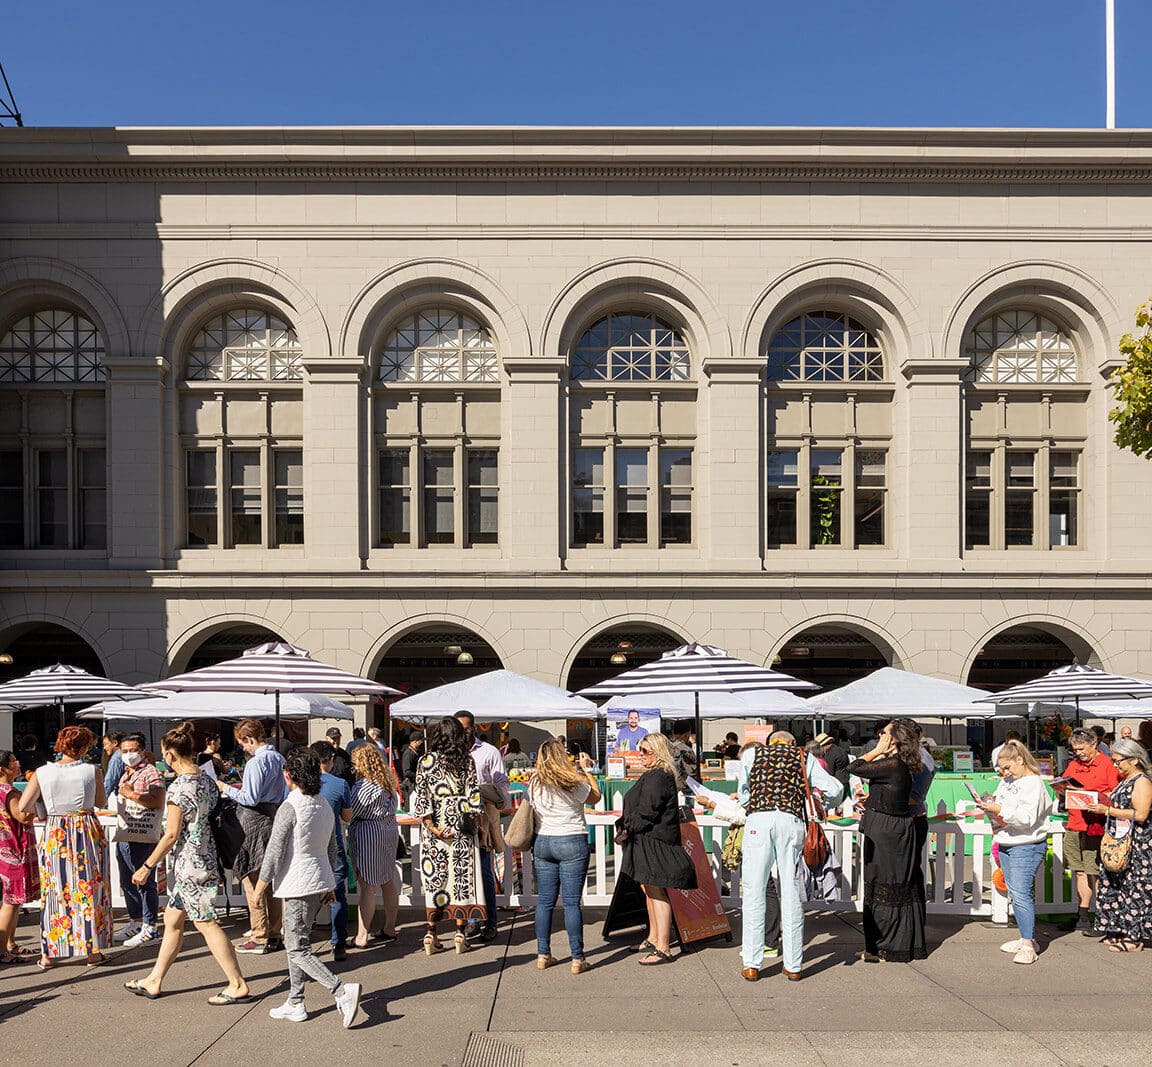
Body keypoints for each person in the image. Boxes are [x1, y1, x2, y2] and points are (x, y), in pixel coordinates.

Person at [121, 722, 251, 1004]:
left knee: (206, 923)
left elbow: (171, 834)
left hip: (190, 865)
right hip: (203, 858)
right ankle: (154, 979)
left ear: (169, 755)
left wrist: (147, 867)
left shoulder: (179, 788)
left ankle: (237, 983)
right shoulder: (206, 780)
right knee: (173, 921)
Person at [256, 748, 362, 1027]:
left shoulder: (289, 806)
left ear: (289, 776)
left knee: (297, 948)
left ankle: (340, 990)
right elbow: (333, 847)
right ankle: (295, 1000)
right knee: (298, 944)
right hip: (316, 879)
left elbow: (274, 851)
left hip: (298, 882)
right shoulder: (323, 804)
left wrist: (260, 886)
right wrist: (328, 883)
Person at [735, 731, 844, 981]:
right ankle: (793, 965)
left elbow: (743, 795)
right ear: (792, 743)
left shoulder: (752, 754)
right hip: (791, 821)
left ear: (770, 743)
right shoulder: (802, 756)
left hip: (758, 821)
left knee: (754, 892)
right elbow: (835, 788)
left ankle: (752, 963)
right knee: (792, 891)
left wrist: (756, 805)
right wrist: (822, 804)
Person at [17, 725, 112, 968]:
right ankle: (92, 951)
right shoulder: (92, 771)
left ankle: (48, 952)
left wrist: (44, 807)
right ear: (83, 747)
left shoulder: (41, 772)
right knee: (89, 888)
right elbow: (101, 801)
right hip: (84, 828)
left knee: (55, 891)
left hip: (56, 831)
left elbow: (24, 806)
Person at [847, 718, 928, 963]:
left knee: (889, 885)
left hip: (889, 832)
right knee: (884, 884)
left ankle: (890, 945)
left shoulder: (894, 763)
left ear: (894, 739)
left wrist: (877, 750)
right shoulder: (897, 764)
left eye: (885, 734)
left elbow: (855, 767)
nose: (881, 736)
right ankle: (881, 943)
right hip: (886, 828)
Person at [616, 733, 696, 966]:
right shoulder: (656, 774)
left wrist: (628, 827)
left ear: (658, 752)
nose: (640, 755)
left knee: (656, 891)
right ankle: (653, 938)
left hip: (654, 840)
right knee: (648, 888)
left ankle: (663, 947)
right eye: (640, 750)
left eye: (645, 751)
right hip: (647, 840)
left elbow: (647, 811)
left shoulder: (659, 775)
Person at [973, 740, 1056, 965]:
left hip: (1026, 844)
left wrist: (998, 809)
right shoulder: (1009, 781)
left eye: (1007, 767)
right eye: (1001, 769)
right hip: (1008, 840)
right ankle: (1025, 938)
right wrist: (991, 805)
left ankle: (1028, 943)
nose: (1004, 773)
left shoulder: (1034, 784)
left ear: (1020, 760)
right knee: (1016, 893)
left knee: (1020, 894)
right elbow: (1003, 804)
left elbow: (1027, 819)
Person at [410, 716, 484, 954]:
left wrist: (432, 826)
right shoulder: (466, 761)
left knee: (436, 881)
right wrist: (463, 821)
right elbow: (474, 798)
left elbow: (421, 797)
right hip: (461, 827)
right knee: (460, 881)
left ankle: (431, 934)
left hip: (435, 829)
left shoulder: (425, 761)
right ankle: (460, 934)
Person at [530, 738, 601, 974]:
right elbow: (596, 797)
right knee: (571, 903)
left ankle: (543, 953)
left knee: (545, 902)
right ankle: (577, 958)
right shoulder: (572, 781)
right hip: (571, 839)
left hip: (543, 840)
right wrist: (587, 770)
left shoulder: (533, 782)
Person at [217, 717, 286, 954]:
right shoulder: (278, 758)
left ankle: (259, 935)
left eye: (242, 743)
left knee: (251, 878)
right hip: (272, 816)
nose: (242, 748)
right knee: (270, 881)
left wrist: (226, 788)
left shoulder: (257, 762)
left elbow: (250, 798)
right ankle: (275, 933)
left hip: (254, 821)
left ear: (248, 739)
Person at [1051, 727, 1120, 934]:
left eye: (1081, 748)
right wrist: (1061, 790)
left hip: (1095, 825)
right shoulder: (1074, 764)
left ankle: (1101, 917)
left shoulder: (1107, 764)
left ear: (1094, 744)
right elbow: (1065, 786)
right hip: (1075, 823)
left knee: (1095, 872)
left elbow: (1113, 794)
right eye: (1074, 748)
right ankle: (1082, 915)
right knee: (1080, 872)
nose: (1078, 752)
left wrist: (1088, 794)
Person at [1085, 738, 1152, 952]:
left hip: (1137, 844)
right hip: (1118, 842)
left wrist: (1107, 811)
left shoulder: (1142, 781)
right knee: (1115, 886)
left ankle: (1134, 938)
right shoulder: (1125, 780)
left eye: (1119, 761)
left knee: (1135, 889)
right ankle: (1117, 930)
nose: (1115, 765)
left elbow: (1140, 814)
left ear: (1134, 760)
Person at [456, 709, 510, 944]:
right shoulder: (451, 752)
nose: (463, 734)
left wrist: (485, 790)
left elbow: (503, 787)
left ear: (474, 728)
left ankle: (491, 921)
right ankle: (471, 920)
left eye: (466, 729)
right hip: (458, 822)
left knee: (485, 872)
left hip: (483, 823)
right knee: (464, 874)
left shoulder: (489, 752)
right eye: (459, 729)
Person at [112, 732, 166, 947]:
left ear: (142, 751)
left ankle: (150, 926)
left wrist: (131, 794)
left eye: (132, 750)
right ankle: (136, 921)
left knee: (143, 880)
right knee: (127, 881)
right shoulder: (127, 773)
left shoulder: (150, 772)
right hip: (126, 831)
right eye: (124, 751)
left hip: (142, 834)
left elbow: (158, 799)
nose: (128, 754)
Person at [347, 741, 401, 949]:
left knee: (368, 886)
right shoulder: (387, 783)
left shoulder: (363, 787)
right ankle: (389, 927)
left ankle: (362, 935)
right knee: (387, 881)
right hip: (388, 830)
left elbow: (352, 812)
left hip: (368, 832)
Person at [310, 740, 353, 961]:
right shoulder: (340, 784)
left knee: (307, 896)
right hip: (333, 843)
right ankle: (339, 944)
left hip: (308, 846)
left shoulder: (300, 785)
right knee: (337, 895)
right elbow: (347, 817)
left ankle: (304, 942)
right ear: (331, 760)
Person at [0, 749, 40, 962]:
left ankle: (9, 943)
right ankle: (2, 951)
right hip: (13, 850)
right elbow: (23, 816)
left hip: (4, 849)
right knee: (11, 901)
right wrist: (34, 799)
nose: (18, 763)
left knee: (13, 900)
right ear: (2, 769)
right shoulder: (9, 791)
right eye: (13, 761)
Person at [816, 732, 850, 797]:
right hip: (845, 781)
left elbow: (829, 772)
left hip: (836, 783)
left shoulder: (830, 754)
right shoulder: (841, 750)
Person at [669, 720, 699, 789]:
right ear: (687, 734)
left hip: (668, 785)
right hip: (682, 787)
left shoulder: (666, 746)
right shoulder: (685, 749)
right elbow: (692, 771)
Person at [400, 734, 425, 799]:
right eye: (420, 741)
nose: (422, 743)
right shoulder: (408, 754)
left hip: (416, 783)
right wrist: (419, 776)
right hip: (410, 785)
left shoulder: (417, 752)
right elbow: (407, 772)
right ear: (415, 742)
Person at [102, 730, 126, 796]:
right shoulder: (124, 754)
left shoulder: (117, 757)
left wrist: (101, 800)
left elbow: (110, 780)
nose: (104, 748)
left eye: (106, 744)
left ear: (115, 743)